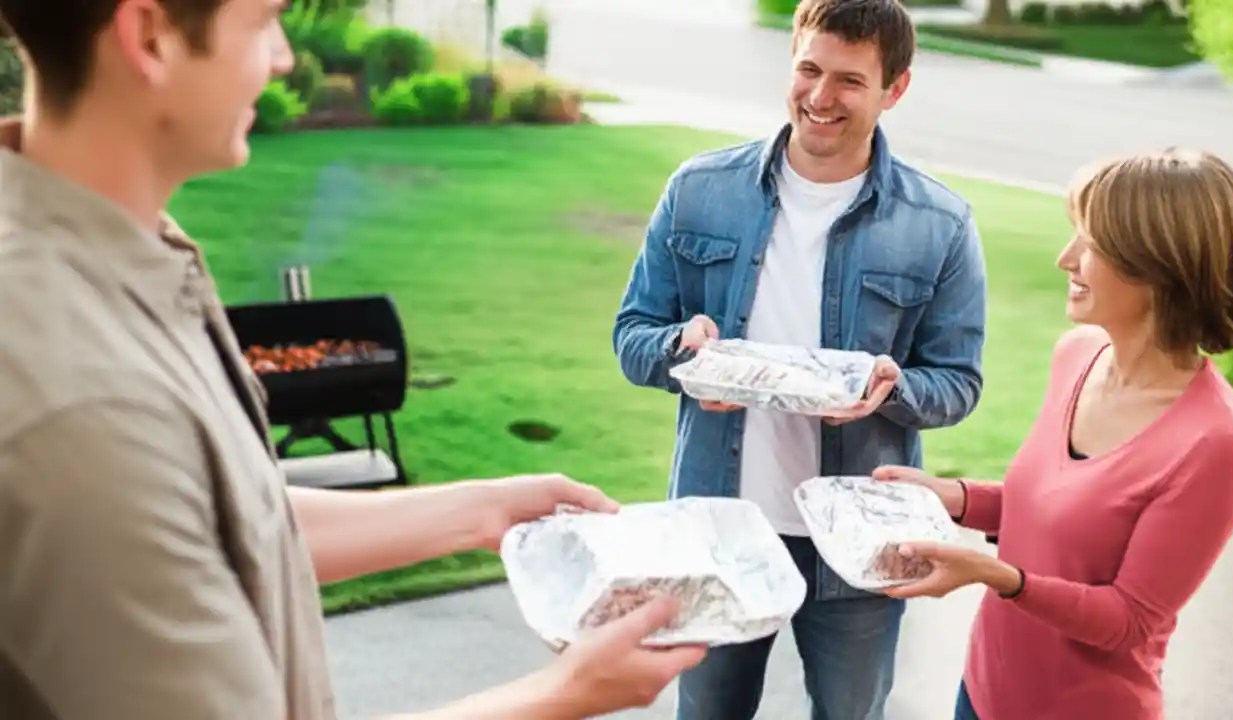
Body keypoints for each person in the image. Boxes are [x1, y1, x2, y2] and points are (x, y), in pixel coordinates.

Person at [0, 1, 705, 718]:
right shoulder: (77, 401)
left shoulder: (126, 251)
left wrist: (484, 512)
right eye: (263, 22)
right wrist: (567, 694)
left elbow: (219, 522)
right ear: (149, 36)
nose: (281, 57)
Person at [611, 0, 987, 717]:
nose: (820, 97)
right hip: (721, 537)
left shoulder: (940, 223)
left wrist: (893, 386)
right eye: (809, 69)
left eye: (848, 80)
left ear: (895, 89)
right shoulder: (700, 189)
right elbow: (633, 332)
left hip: (861, 548)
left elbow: (958, 382)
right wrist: (680, 356)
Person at [872, 149, 1233, 720]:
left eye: (1092, 244)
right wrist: (952, 498)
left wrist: (996, 576)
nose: (1065, 259)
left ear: (1159, 267)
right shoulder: (1077, 355)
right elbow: (1055, 516)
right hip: (983, 691)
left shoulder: (1217, 441)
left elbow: (1127, 621)